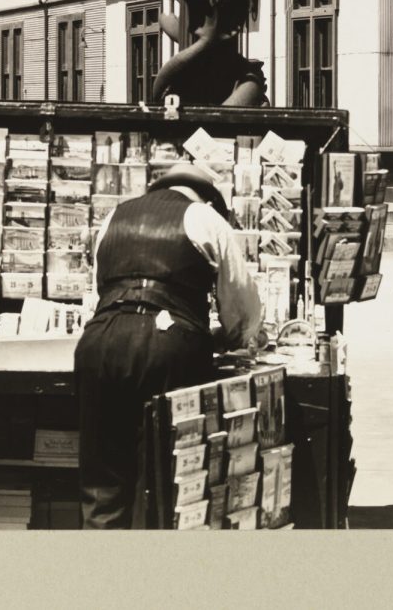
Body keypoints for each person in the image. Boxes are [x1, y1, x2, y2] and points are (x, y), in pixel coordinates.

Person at [74, 157, 263, 528]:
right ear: (207, 198)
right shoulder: (205, 218)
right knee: (169, 481)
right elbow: (242, 310)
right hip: (167, 345)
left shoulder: (115, 217)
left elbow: (102, 287)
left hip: (100, 342)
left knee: (102, 486)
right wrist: (229, 338)